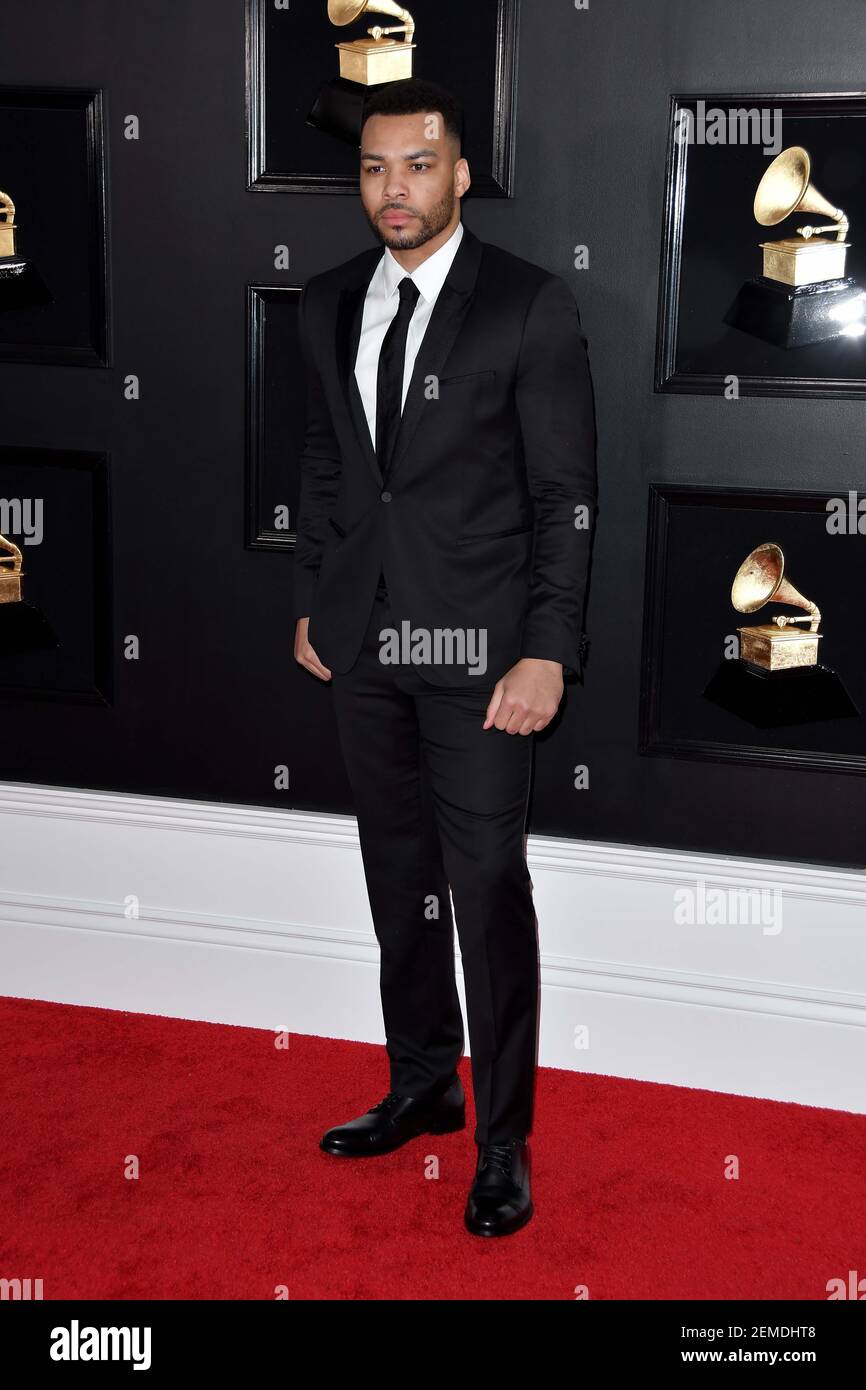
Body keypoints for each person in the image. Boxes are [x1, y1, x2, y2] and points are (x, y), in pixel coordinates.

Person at [293, 77, 597, 1237]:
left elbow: (566, 496)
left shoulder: (526, 304)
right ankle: (420, 1084)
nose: (392, 190)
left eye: (416, 166)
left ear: (459, 173)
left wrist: (546, 650)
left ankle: (502, 1142)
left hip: (479, 654)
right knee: (395, 881)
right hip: (364, 644)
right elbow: (326, 466)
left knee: (483, 891)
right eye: (373, 169)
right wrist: (315, 600)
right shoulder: (324, 302)